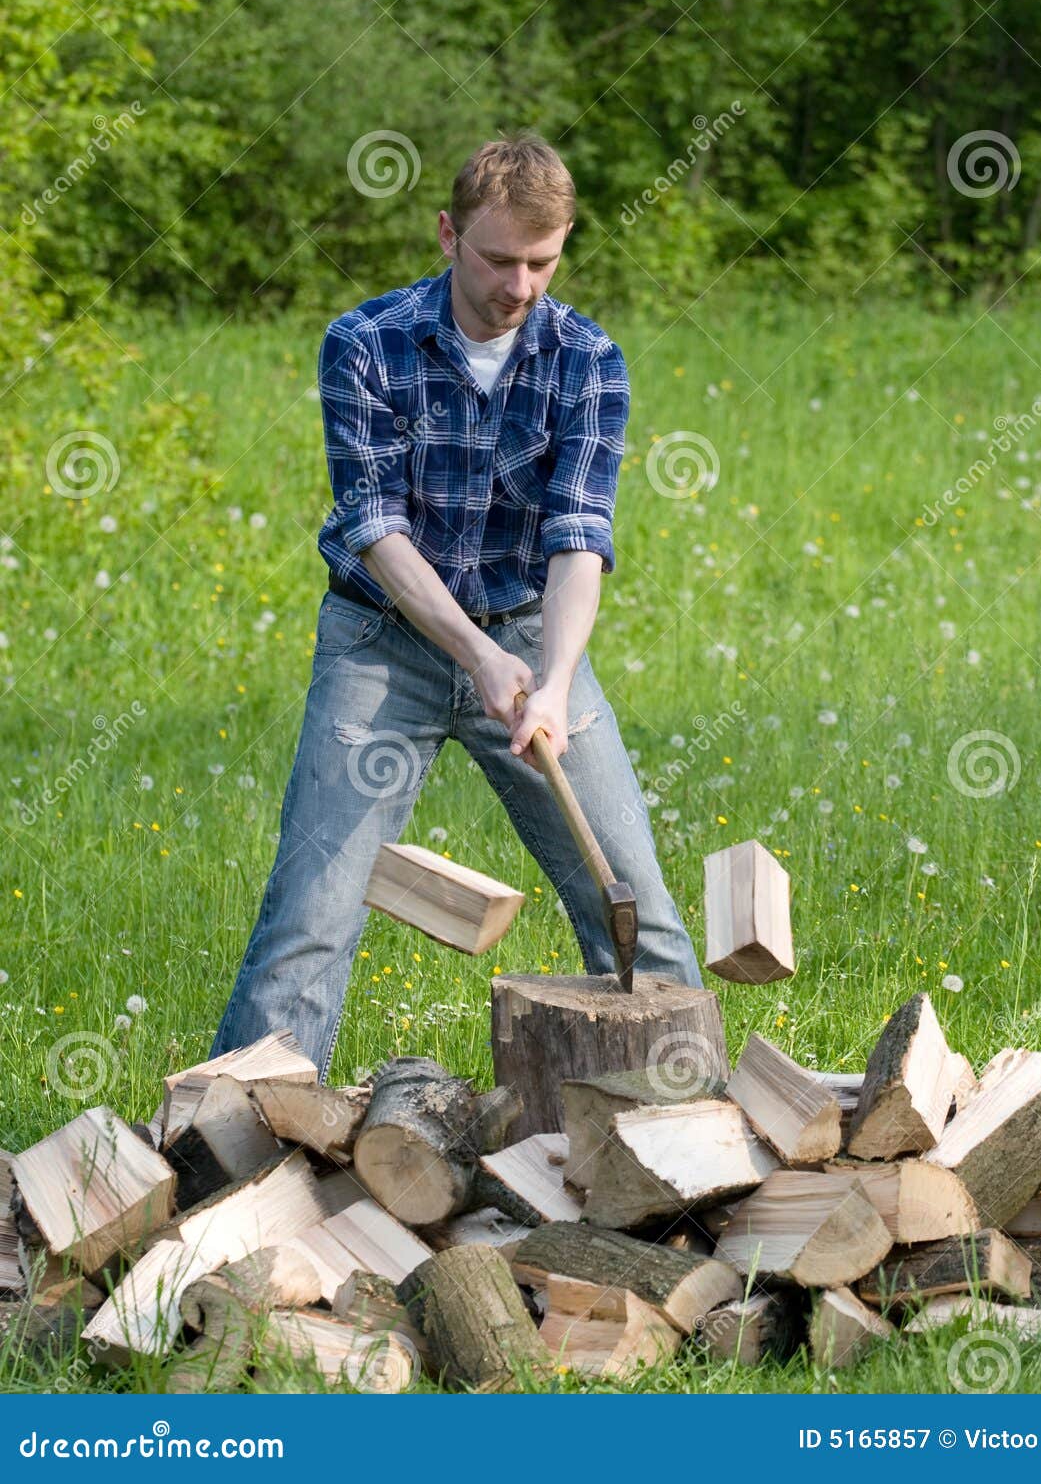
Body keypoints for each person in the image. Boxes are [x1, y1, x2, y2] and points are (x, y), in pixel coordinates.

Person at [209, 131, 703, 1082]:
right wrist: (474, 656)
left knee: (630, 900)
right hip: (380, 644)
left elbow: (578, 536)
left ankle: (684, 1145)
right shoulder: (366, 344)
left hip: (529, 639)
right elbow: (375, 526)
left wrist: (553, 682)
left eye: (542, 261)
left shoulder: (587, 360)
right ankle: (230, 1157)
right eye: (499, 258)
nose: (520, 286)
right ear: (447, 234)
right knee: (312, 909)